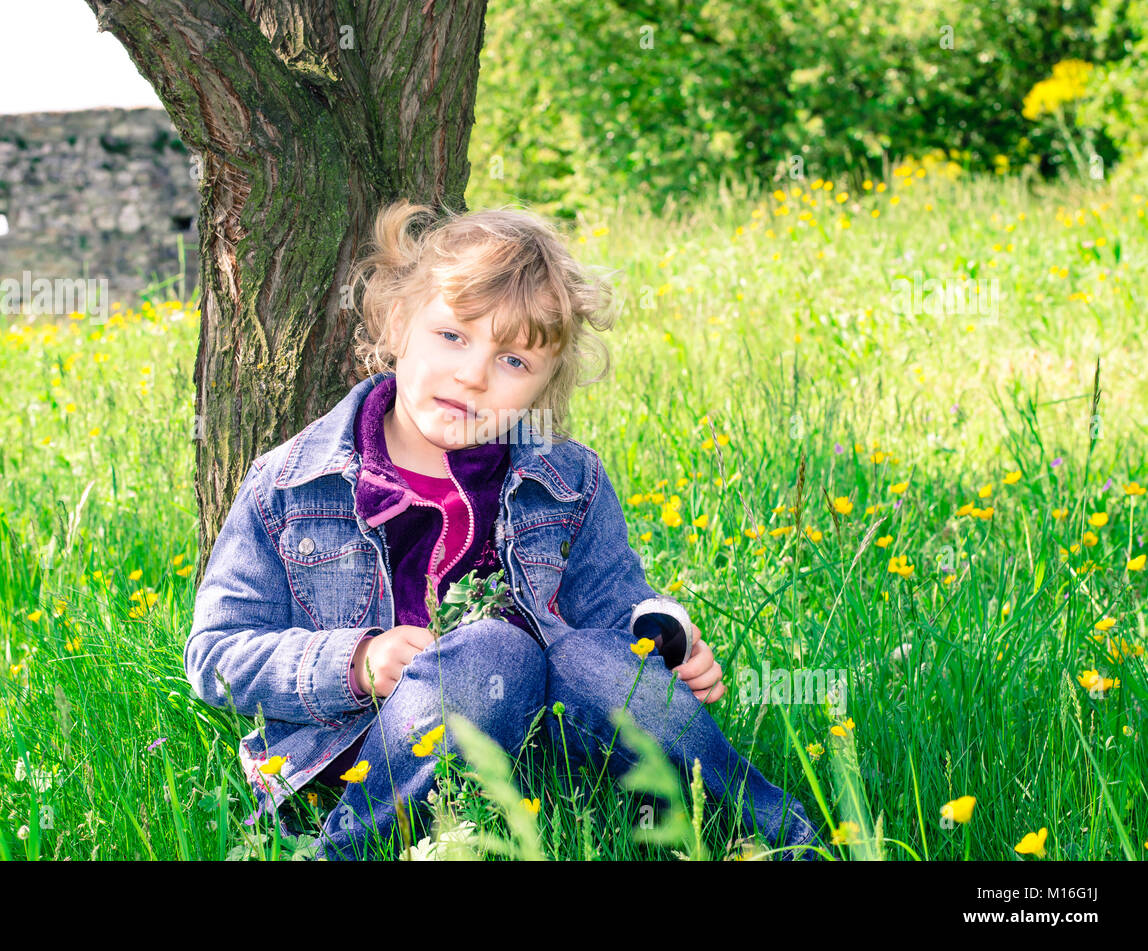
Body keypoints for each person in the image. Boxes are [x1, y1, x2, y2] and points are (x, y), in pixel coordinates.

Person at [185, 199, 823, 860]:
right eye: (453, 336)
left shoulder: (568, 480)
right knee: (492, 649)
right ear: (399, 321)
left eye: (514, 361)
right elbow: (214, 654)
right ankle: (348, 849)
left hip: (542, 751)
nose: (473, 374)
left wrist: (667, 637)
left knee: (601, 662)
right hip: (351, 755)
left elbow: (613, 612)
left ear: (546, 386)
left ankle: (782, 838)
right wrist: (355, 661)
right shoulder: (289, 483)